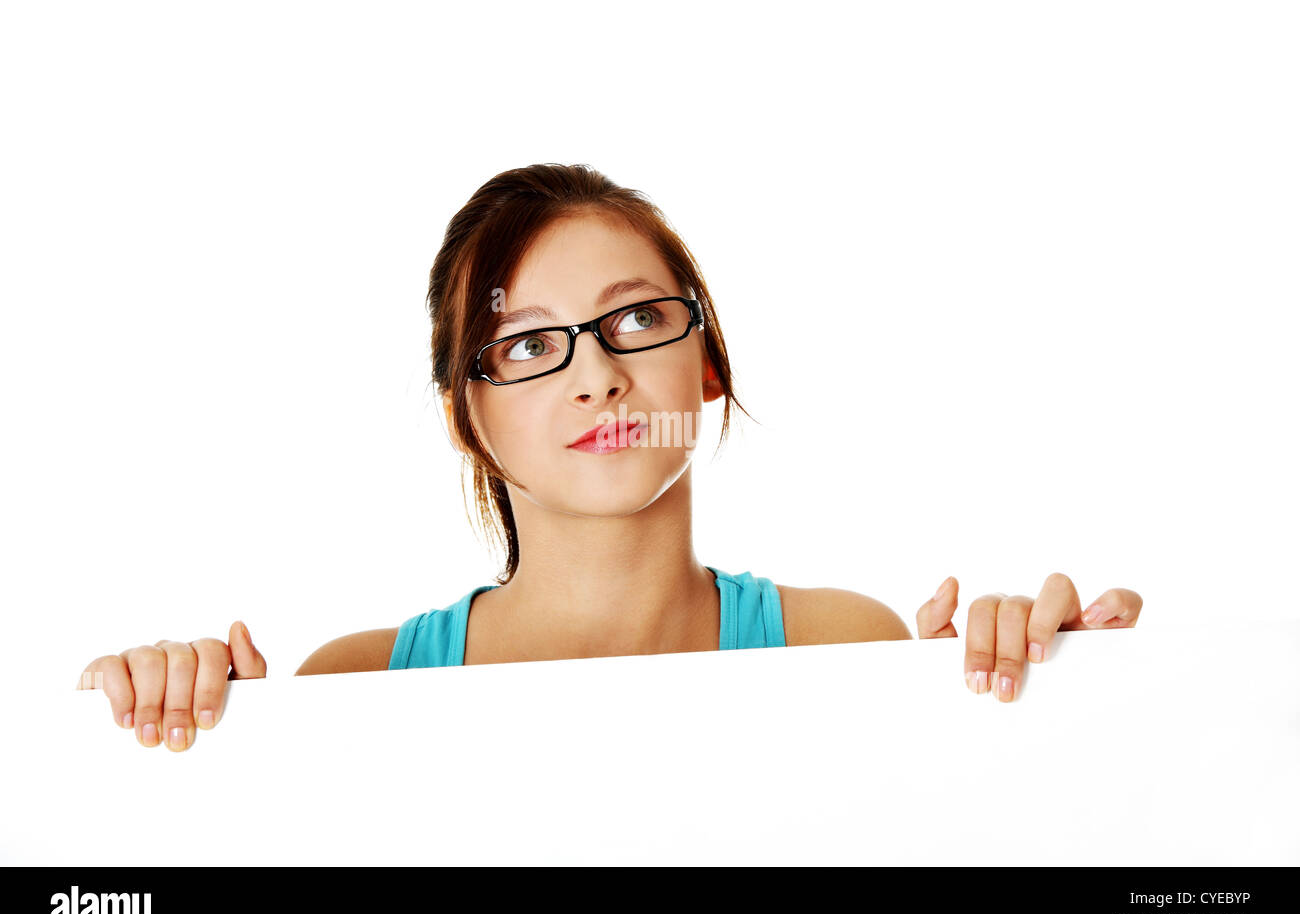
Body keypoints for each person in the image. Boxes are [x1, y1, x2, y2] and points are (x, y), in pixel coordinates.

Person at [75, 164, 1143, 752]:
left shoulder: (839, 643)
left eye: (635, 318)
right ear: (469, 420)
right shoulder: (351, 687)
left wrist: (1046, 713)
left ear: (708, 363)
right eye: (530, 343)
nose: (596, 377)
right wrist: (188, 741)